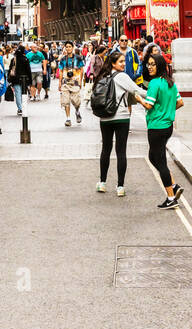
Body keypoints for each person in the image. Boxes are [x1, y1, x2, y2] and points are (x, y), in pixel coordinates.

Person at [93, 47, 152, 196]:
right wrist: (157, 91)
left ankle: (102, 183)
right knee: (121, 151)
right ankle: (120, 186)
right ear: (113, 63)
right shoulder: (122, 76)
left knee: (105, 150)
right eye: (120, 62)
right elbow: (137, 91)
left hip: (105, 117)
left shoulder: (102, 76)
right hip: (121, 117)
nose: (123, 64)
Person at [143, 51, 183, 208]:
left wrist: (138, 99)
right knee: (153, 157)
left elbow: (148, 105)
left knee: (160, 161)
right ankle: (174, 186)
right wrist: (168, 112)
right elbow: (180, 103)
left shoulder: (154, 83)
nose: (150, 67)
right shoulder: (170, 83)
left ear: (160, 66)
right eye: (149, 64)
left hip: (156, 127)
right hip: (167, 126)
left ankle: (171, 198)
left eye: (153, 64)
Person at [57, 40, 85, 126]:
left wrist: (80, 81)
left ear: (73, 48)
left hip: (75, 82)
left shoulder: (78, 58)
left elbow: (81, 70)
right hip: (65, 82)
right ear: (65, 48)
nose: (68, 48)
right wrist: (60, 83)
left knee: (76, 101)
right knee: (66, 101)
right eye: (67, 47)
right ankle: (68, 118)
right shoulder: (62, 59)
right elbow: (60, 71)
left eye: (70, 47)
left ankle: (77, 111)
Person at [9, 42, 31, 115]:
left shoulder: (13, 60)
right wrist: (30, 80)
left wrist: (10, 80)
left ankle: (20, 108)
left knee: (18, 94)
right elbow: (28, 70)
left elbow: (10, 69)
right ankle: (23, 107)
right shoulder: (25, 59)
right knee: (24, 94)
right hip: (24, 79)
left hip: (16, 79)